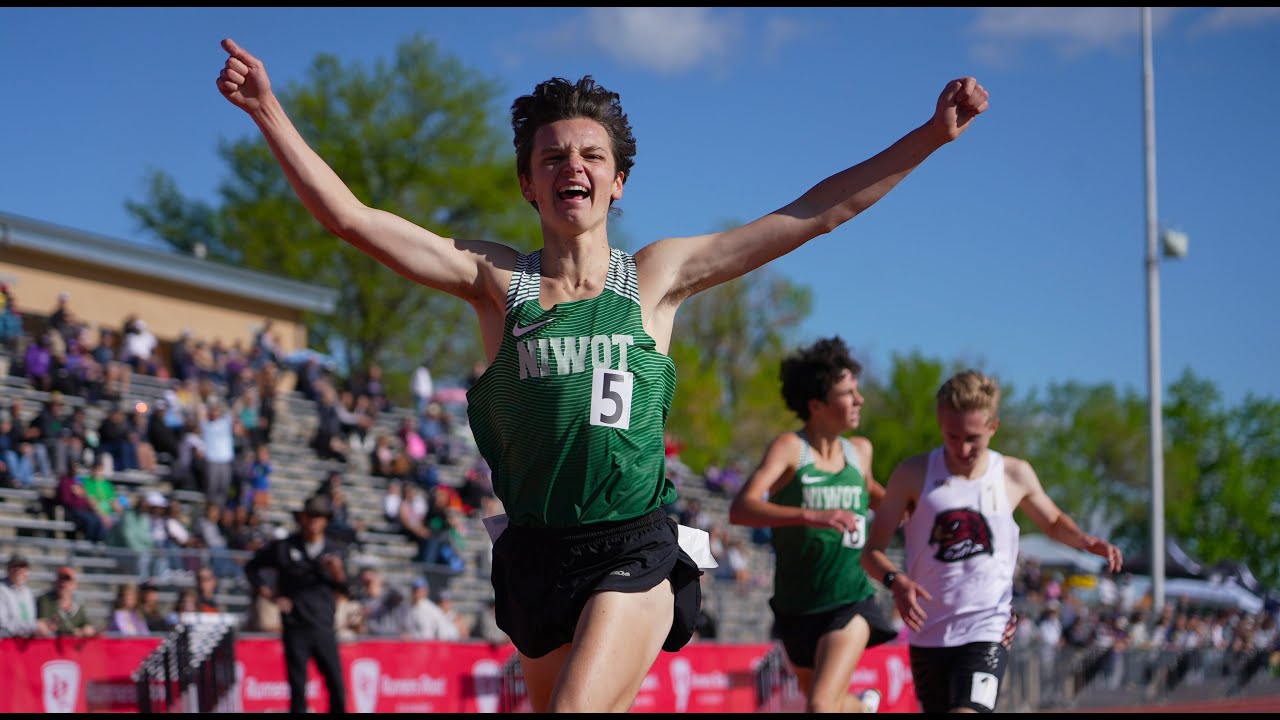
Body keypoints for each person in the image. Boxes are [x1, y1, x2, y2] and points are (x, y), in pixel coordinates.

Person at [217, 38, 989, 712]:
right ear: (528, 183)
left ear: (618, 182)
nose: (572, 168)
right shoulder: (496, 281)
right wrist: (268, 112)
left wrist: (928, 137)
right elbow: (352, 219)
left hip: (633, 544)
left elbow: (815, 213)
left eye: (591, 156)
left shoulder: (655, 277)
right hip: (533, 553)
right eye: (552, 157)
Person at [861, 369, 1123, 714]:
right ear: (940, 424)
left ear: (993, 427)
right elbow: (871, 551)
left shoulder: (1013, 474)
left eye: (973, 438)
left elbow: (1053, 522)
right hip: (929, 633)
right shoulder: (913, 474)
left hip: (987, 629)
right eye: (952, 436)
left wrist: (1086, 541)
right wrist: (896, 581)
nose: (962, 448)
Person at [727, 336, 892, 713]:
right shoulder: (791, 449)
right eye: (848, 393)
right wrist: (810, 515)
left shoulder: (860, 452)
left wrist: (916, 506)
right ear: (817, 405)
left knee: (819, 705)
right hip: (795, 607)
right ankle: (865, 708)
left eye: (857, 391)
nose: (859, 400)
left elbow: (875, 494)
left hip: (848, 600)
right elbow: (741, 509)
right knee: (828, 704)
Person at [243, 494, 349, 713]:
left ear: (326, 521)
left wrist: (337, 573)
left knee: (336, 685)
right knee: (298, 688)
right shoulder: (284, 547)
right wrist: (271, 596)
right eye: (310, 515)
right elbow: (252, 568)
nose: (313, 521)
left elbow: (347, 589)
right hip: (295, 625)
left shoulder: (335, 550)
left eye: (318, 516)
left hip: (323, 625)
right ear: (302, 518)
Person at [0, 554, 49, 639]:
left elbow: (30, 620)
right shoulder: (2, 590)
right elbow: (3, 624)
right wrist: (33, 626)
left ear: (27, 571)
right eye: (15, 566)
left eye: (22, 566)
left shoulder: (28, 592)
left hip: (24, 641)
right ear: (8, 569)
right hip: (6, 641)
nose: (18, 570)